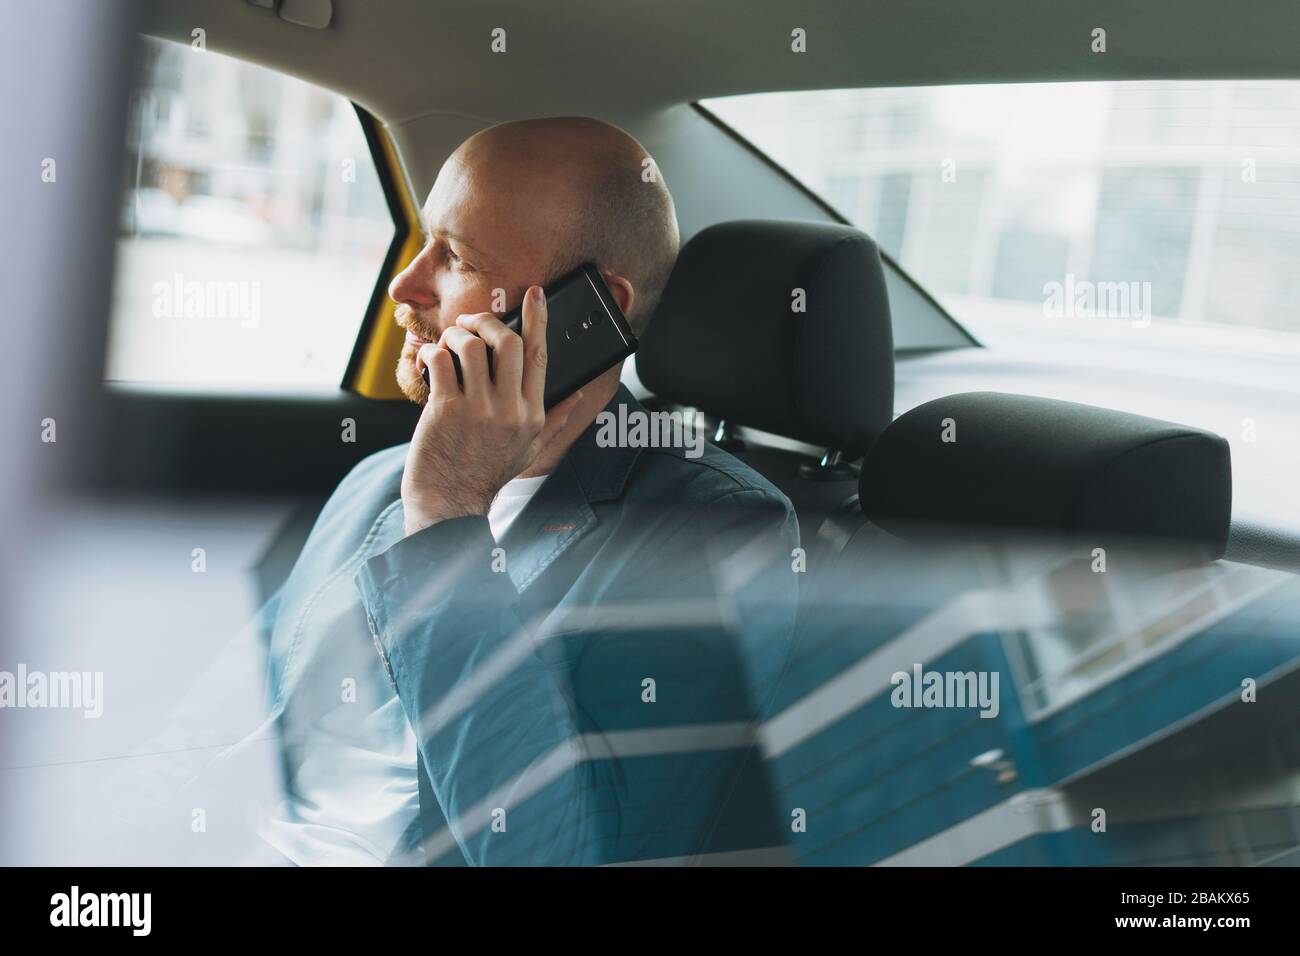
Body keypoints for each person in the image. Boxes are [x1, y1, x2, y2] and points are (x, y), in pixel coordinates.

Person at [258, 116, 800, 865]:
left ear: (589, 314)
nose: (404, 284)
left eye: (454, 257)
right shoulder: (375, 482)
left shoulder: (715, 531)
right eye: (422, 243)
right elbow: (225, 733)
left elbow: (559, 850)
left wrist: (446, 517)